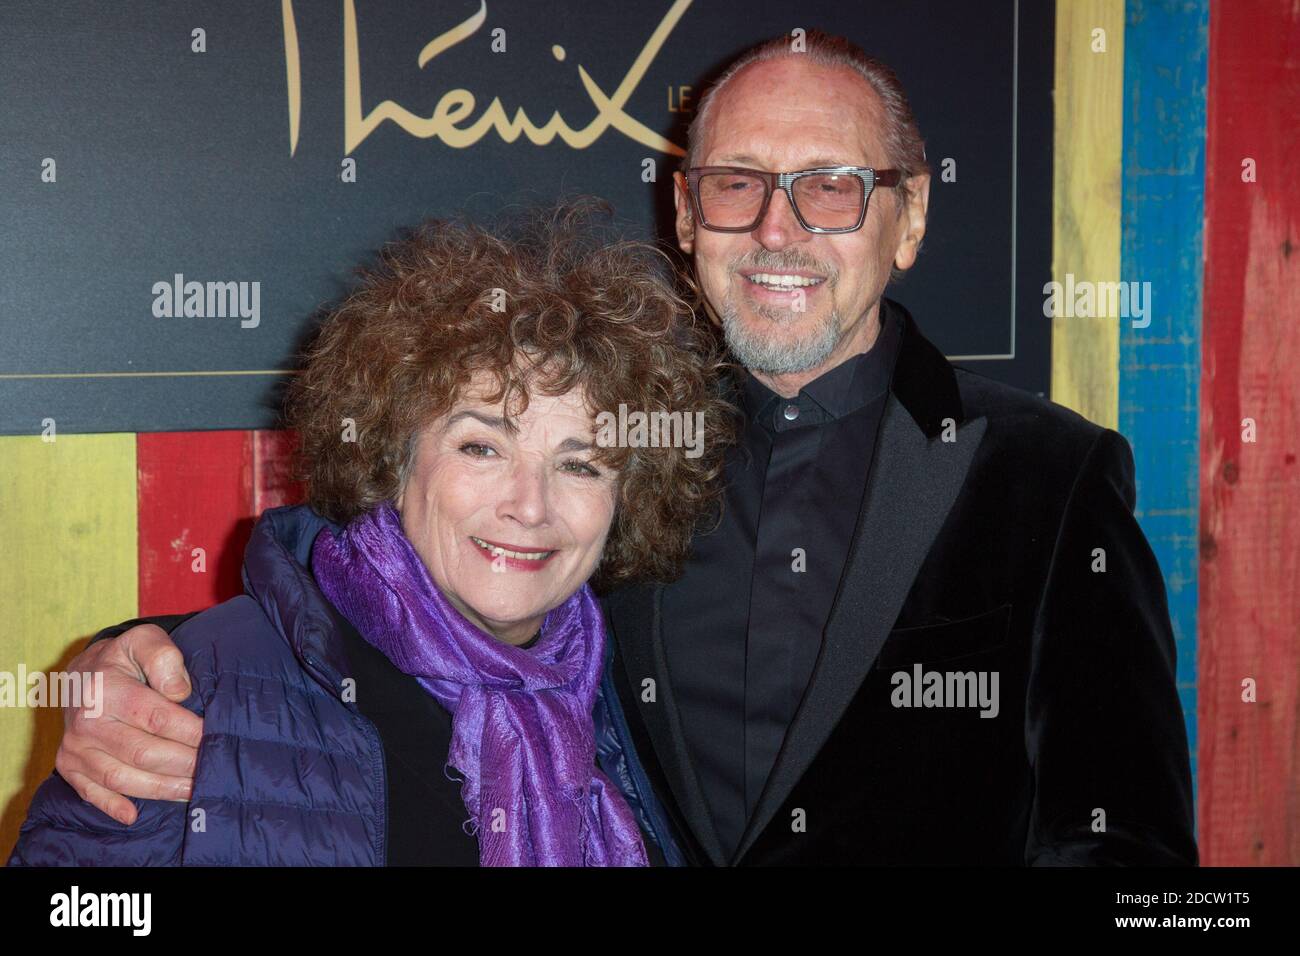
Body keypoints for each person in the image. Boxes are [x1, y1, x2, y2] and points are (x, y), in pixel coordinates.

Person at [35, 31, 1197, 866]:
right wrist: (129, 659)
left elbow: (1128, 842)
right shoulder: (622, 445)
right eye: (736, 183)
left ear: (911, 216)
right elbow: (381, 590)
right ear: (685, 217)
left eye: (831, 189)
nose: (777, 227)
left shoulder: (1047, 474)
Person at [8, 201, 730, 866]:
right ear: (393, 456)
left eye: (580, 465)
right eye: (481, 447)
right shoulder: (196, 687)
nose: (529, 505)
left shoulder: (624, 704)